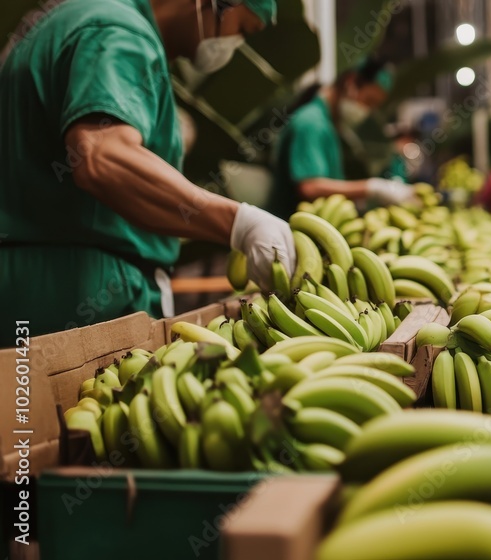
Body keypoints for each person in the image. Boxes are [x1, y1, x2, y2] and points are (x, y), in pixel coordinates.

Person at [0, 0, 294, 346]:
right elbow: (102, 157)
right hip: (74, 296)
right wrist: (237, 223)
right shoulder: (119, 31)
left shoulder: (86, 19)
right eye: (242, 29)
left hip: (39, 284)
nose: (237, 44)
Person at [268, 58, 414, 219]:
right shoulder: (311, 123)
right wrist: (372, 188)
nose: (367, 111)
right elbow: (310, 187)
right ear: (350, 83)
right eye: (369, 101)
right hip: (292, 227)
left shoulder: (329, 124)